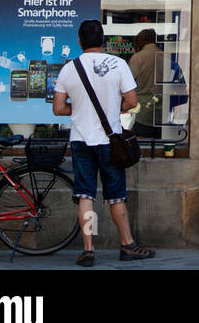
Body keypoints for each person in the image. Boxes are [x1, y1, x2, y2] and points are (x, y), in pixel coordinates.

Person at [52, 20, 155, 265]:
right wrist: (112, 108)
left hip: (80, 140)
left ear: (79, 41)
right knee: (116, 195)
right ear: (103, 41)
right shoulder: (118, 64)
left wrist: (77, 109)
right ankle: (127, 244)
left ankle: (89, 249)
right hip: (110, 141)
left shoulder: (69, 68)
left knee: (85, 194)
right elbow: (131, 102)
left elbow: (58, 108)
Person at [128, 28, 164, 139]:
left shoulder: (138, 57)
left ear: (142, 41)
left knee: (142, 144)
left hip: (143, 112)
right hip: (162, 111)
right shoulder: (165, 56)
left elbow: (128, 83)